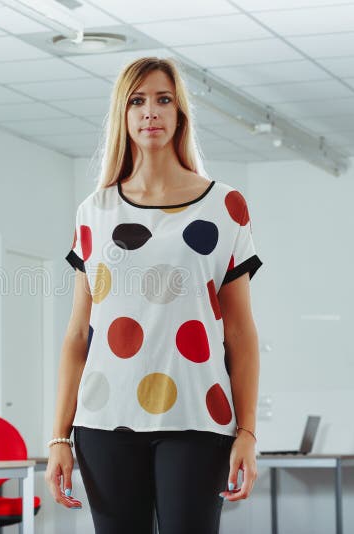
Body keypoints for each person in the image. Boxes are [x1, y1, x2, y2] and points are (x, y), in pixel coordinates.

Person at [44, 56, 263, 534]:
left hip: (198, 418)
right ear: (122, 115)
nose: (150, 112)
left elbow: (241, 334)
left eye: (163, 99)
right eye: (137, 101)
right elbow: (78, 335)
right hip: (104, 420)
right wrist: (59, 437)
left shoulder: (226, 206)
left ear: (180, 113)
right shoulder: (94, 211)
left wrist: (247, 431)